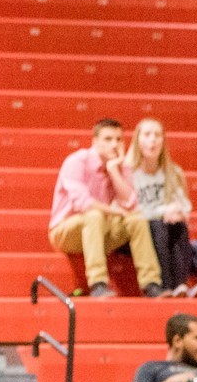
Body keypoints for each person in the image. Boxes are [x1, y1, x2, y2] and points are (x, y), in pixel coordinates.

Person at [48, 118, 164, 299]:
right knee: (94, 215)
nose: (115, 145)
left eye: (118, 139)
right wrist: (115, 211)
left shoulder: (120, 164)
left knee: (137, 218)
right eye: (108, 139)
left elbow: (131, 205)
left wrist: (114, 171)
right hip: (65, 231)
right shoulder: (77, 161)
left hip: (99, 230)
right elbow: (83, 204)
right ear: (95, 142)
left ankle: (151, 284)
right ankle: (98, 283)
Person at [123, 118, 197, 297]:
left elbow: (185, 204)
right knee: (158, 225)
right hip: (138, 233)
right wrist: (162, 212)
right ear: (137, 139)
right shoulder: (128, 171)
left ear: (163, 141)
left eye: (157, 135)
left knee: (178, 225)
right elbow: (129, 209)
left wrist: (180, 211)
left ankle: (180, 286)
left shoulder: (172, 171)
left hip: (166, 225)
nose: (152, 140)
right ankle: (166, 286)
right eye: (147, 135)